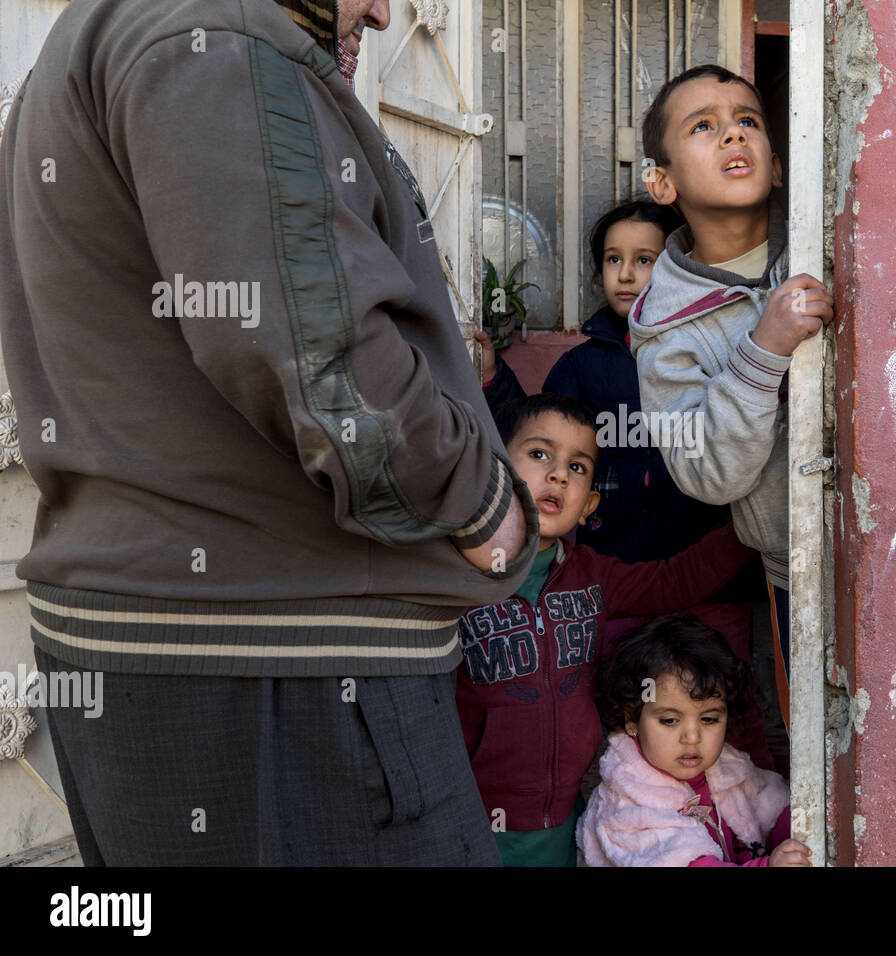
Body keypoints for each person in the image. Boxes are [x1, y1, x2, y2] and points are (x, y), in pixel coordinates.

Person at [0, 0, 538, 865]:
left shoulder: (127, 31)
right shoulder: (213, 38)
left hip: (211, 664)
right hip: (286, 679)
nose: (381, 10)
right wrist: (485, 510)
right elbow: (323, 354)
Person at [475, 199, 777, 769]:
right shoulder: (585, 367)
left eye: (645, 259)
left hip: (710, 582)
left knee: (729, 732)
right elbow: (536, 441)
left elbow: (745, 435)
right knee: (628, 737)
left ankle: (750, 842)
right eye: (614, 259)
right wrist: (492, 380)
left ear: (675, 269)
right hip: (616, 592)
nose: (628, 274)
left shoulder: (701, 352)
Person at [456, 393, 757, 866]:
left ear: (588, 505)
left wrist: (756, 521)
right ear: (496, 472)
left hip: (567, 820)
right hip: (471, 822)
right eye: (539, 455)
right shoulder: (453, 582)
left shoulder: (592, 577)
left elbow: (676, 580)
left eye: (578, 467)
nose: (558, 474)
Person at [630, 64, 834, 727]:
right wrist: (764, 349)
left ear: (777, 164)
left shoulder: (836, 240)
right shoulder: (666, 330)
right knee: (826, 744)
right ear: (661, 182)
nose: (731, 135)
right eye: (703, 126)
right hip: (797, 571)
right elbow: (710, 474)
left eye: (747, 120)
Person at [577, 616, 812, 866]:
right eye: (669, 721)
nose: (692, 737)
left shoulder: (729, 769)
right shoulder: (625, 806)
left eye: (709, 719)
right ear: (632, 720)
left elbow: (778, 810)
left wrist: (802, 839)